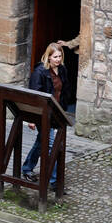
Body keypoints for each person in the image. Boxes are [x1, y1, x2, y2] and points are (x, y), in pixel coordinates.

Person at [22, 43, 70, 185]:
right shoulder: (39, 73)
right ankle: (55, 182)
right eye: (55, 57)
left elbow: (65, 92)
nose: (58, 59)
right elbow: (34, 96)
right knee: (51, 145)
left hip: (56, 113)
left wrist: (63, 111)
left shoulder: (62, 70)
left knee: (41, 141)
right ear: (48, 57)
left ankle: (27, 168)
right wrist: (31, 118)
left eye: (60, 56)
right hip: (43, 114)